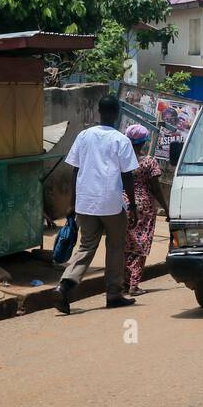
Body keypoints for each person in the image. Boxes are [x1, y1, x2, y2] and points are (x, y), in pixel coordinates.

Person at [55, 95, 139, 313]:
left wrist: (72, 203)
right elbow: (127, 175)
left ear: (98, 112)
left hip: (85, 203)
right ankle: (113, 294)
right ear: (117, 113)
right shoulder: (121, 140)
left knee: (86, 246)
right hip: (111, 204)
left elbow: (75, 170)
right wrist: (133, 205)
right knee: (115, 247)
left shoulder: (84, 136)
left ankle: (65, 285)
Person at [122, 124, 168, 297]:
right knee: (140, 245)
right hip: (144, 207)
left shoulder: (121, 160)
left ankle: (124, 282)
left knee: (126, 245)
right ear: (143, 142)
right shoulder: (149, 162)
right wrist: (167, 210)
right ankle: (134, 284)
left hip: (122, 204)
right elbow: (156, 189)